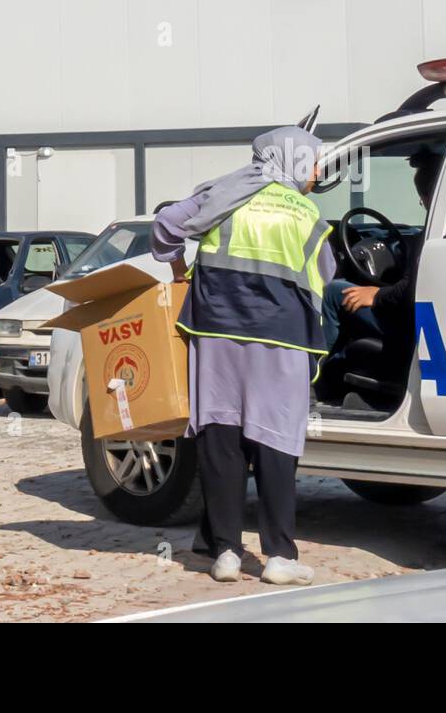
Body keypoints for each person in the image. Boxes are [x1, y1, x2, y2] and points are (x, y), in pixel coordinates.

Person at [151, 125, 333, 585]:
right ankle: (278, 557)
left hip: (214, 332)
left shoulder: (223, 193)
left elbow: (167, 224)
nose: (315, 173)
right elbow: (324, 274)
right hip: (282, 340)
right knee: (275, 440)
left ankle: (226, 552)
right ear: (291, 160)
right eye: (312, 162)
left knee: (221, 435)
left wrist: (177, 267)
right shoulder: (305, 212)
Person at [320, 149, 443, 399]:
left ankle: (319, 376)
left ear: (429, 197)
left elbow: (411, 292)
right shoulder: (440, 229)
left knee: (334, 292)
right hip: (427, 316)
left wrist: (377, 295)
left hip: (412, 321)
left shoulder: (431, 237)